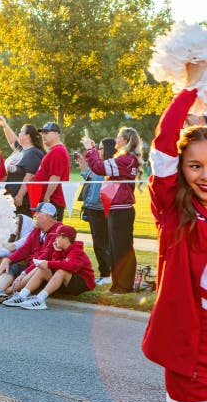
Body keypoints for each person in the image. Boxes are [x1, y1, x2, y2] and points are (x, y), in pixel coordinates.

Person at [142, 82, 207, 402]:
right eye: (195, 165)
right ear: (181, 169)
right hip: (193, 354)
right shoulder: (172, 209)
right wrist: (190, 87)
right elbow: (165, 142)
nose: (205, 175)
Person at [82, 128, 142, 294]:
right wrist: (93, 150)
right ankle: (117, 285)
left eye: (118, 137)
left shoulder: (125, 159)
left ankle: (124, 286)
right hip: (118, 208)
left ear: (126, 140)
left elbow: (98, 167)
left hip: (121, 209)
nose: (116, 140)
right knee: (117, 248)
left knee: (122, 249)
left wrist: (89, 149)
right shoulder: (127, 158)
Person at [6, 224, 95, 310]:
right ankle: (22, 295)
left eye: (57, 237)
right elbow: (56, 266)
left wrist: (48, 263)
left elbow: (71, 266)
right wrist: (56, 252)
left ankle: (40, 300)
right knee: (43, 269)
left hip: (82, 283)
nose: (54, 239)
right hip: (67, 281)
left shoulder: (76, 250)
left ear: (65, 238)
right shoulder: (62, 249)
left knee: (61, 271)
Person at [0, 202, 63, 306]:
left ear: (46, 216)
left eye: (37, 213)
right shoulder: (37, 231)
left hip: (46, 272)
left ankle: (7, 292)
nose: (34, 216)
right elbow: (24, 249)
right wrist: (8, 260)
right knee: (11, 265)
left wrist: (23, 274)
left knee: (38, 267)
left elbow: (44, 257)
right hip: (31, 267)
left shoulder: (58, 231)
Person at [75, 138, 116, 286]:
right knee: (98, 242)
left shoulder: (108, 166)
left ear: (108, 150)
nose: (98, 151)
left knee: (102, 243)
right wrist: (81, 162)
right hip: (92, 207)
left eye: (100, 148)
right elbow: (87, 176)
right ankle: (106, 273)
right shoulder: (99, 165)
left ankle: (106, 274)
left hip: (101, 208)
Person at [0, 117, 45, 217]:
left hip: (22, 201)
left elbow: (30, 176)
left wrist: (20, 195)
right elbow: (12, 141)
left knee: (20, 228)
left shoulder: (34, 152)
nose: (19, 133)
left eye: (21, 132)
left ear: (28, 136)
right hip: (9, 197)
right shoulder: (21, 149)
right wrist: (5, 125)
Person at [34, 122, 70, 220]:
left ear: (56, 134)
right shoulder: (54, 150)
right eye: (43, 133)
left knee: (52, 231)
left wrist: (47, 196)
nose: (43, 136)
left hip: (53, 200)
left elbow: (55, 177)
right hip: (51, 199)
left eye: (46, 133)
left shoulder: (57, 151)